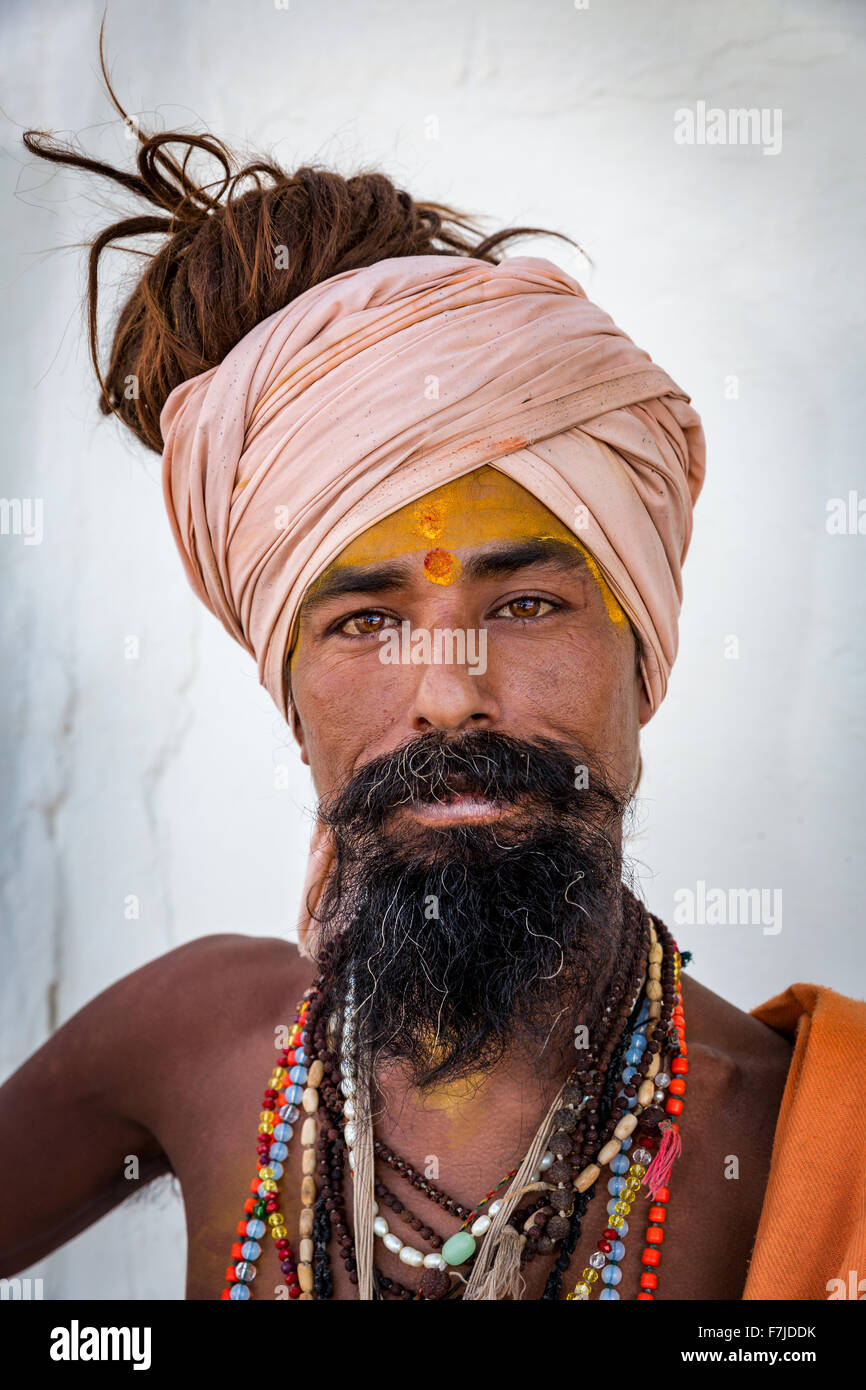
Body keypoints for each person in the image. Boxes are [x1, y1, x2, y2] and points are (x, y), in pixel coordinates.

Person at [2, 62, 864, 1303]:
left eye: (523, 605)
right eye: (363, 619)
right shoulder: (195, 1041)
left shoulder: (803, 1133)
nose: (448, 695)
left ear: (643, 654)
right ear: (287, 686)